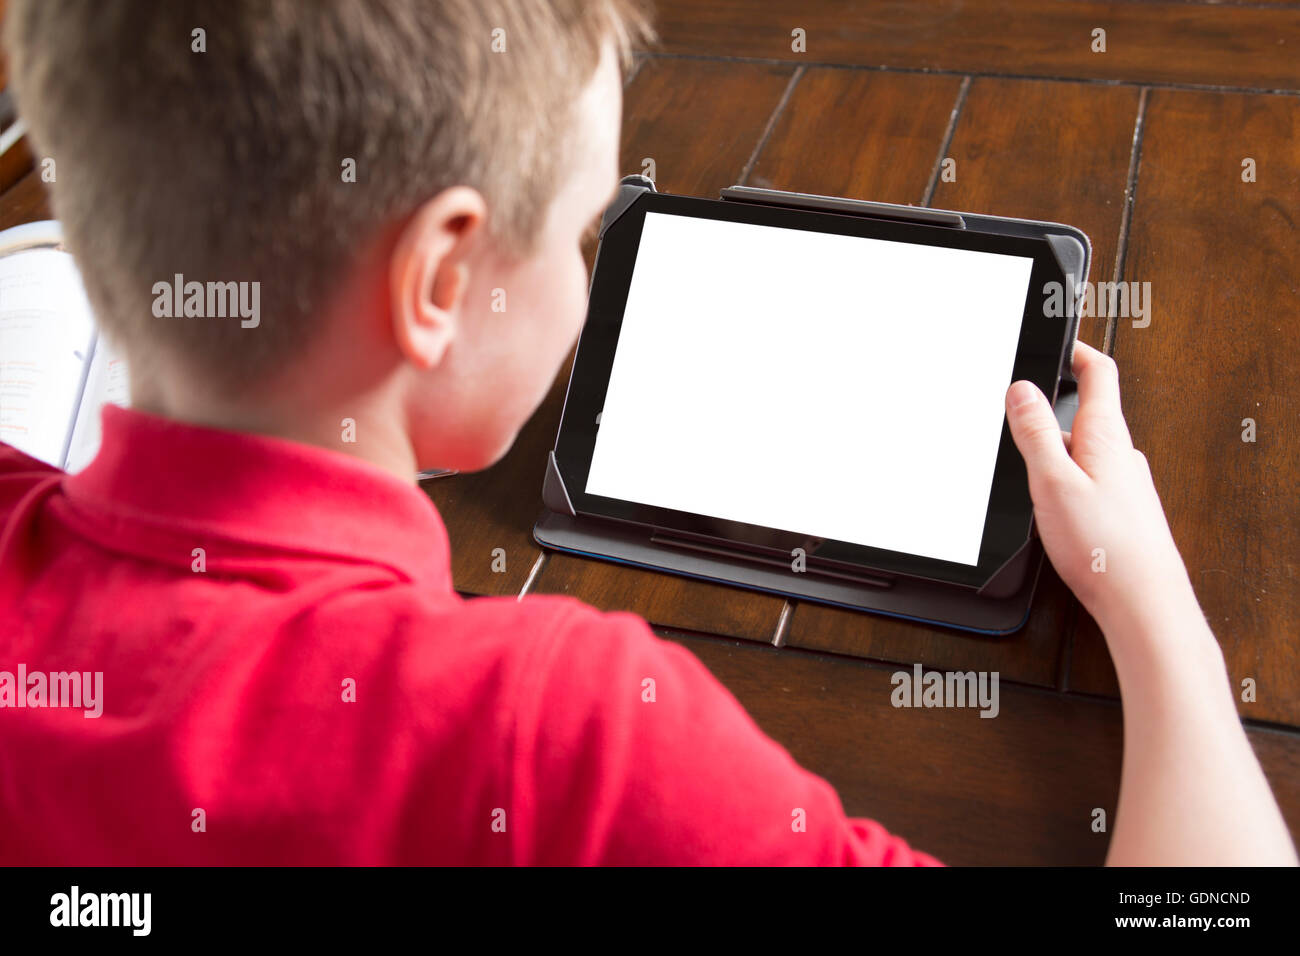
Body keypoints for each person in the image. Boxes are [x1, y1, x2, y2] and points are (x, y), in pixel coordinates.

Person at [0, 0, 1292, 865]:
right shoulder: (556, 729)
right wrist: (1147, 593)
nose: (586, 274)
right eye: (580, 235)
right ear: (440, 283)